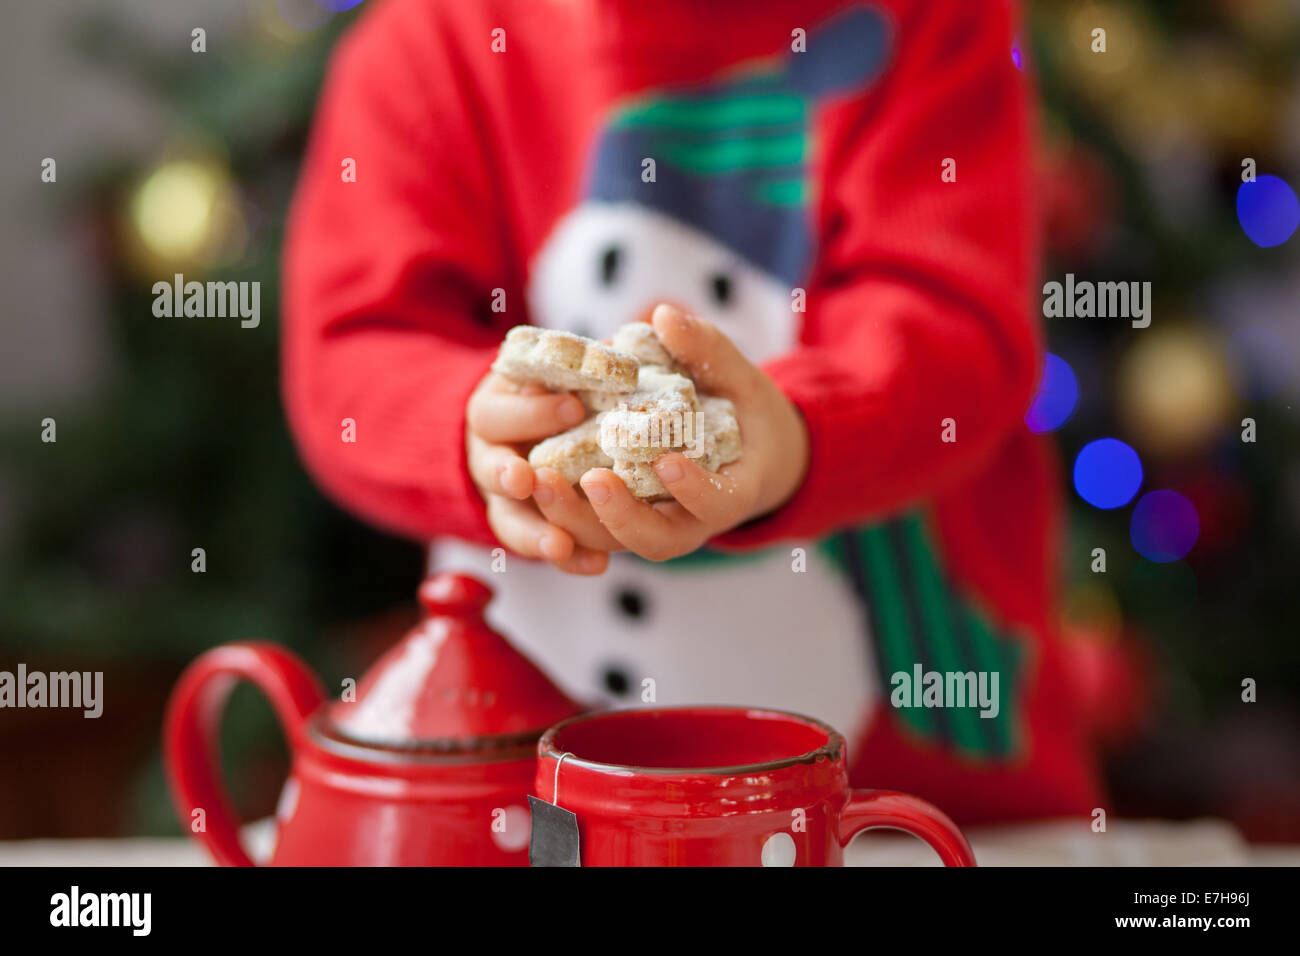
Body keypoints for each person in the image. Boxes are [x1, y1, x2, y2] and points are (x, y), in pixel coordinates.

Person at [283, 0, 1101, 822]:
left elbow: (958, 333)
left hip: (912, 807)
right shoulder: (425, 45)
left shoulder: (930, 21)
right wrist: (469, 433)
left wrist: (801, 437)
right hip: (535, 804)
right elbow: (351, 351)